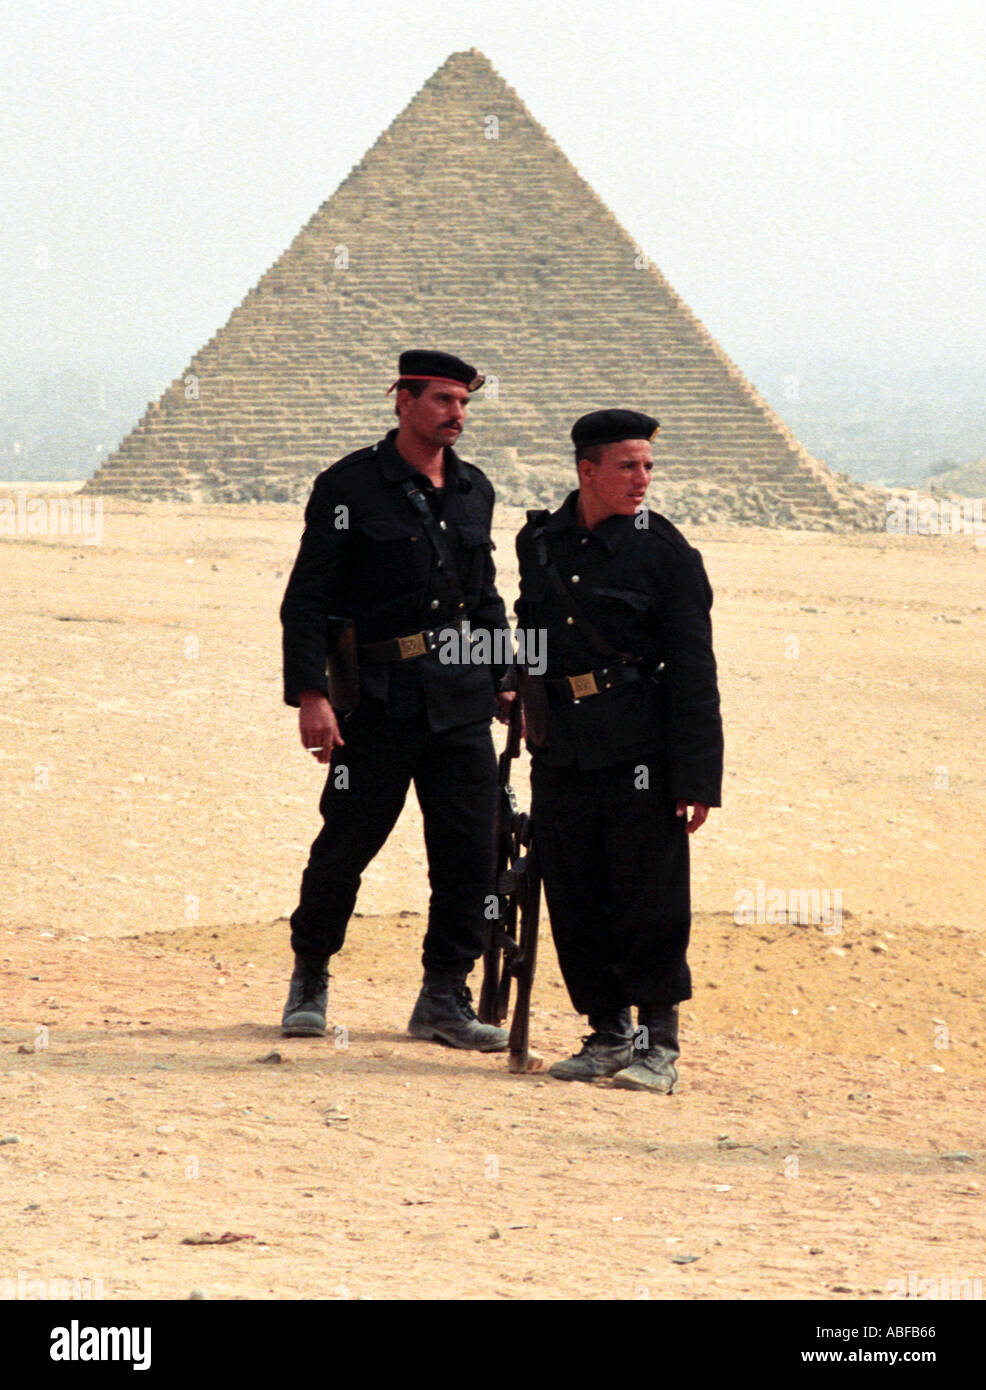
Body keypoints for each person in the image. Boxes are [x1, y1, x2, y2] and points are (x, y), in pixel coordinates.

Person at [279, 349, 514, 1050]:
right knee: (346, 843)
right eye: (443, 400)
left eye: (465, 403)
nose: (457, 415)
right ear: (402, 400)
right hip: (376, 703)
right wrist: (311, 694)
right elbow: (307, 602)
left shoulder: (474, 490)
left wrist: (506, 676)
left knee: (470, 853)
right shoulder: (349, 487)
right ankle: (311, 977)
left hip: (460, 701)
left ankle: (444, 996)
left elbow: (486, 598)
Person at [514, 409, 724, 1092]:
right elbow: (531, 631)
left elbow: (695, 672)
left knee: (648, 897)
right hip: (562, 746)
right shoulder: (541, 543)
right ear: (587, 470)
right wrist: (512, 686)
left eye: (649, 466)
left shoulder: (666, 554)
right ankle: (606, 1033)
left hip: (641, 745)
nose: (643, 479)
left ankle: (656, 1045)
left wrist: (696, 777)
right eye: (629, 466)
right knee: (576, 891)